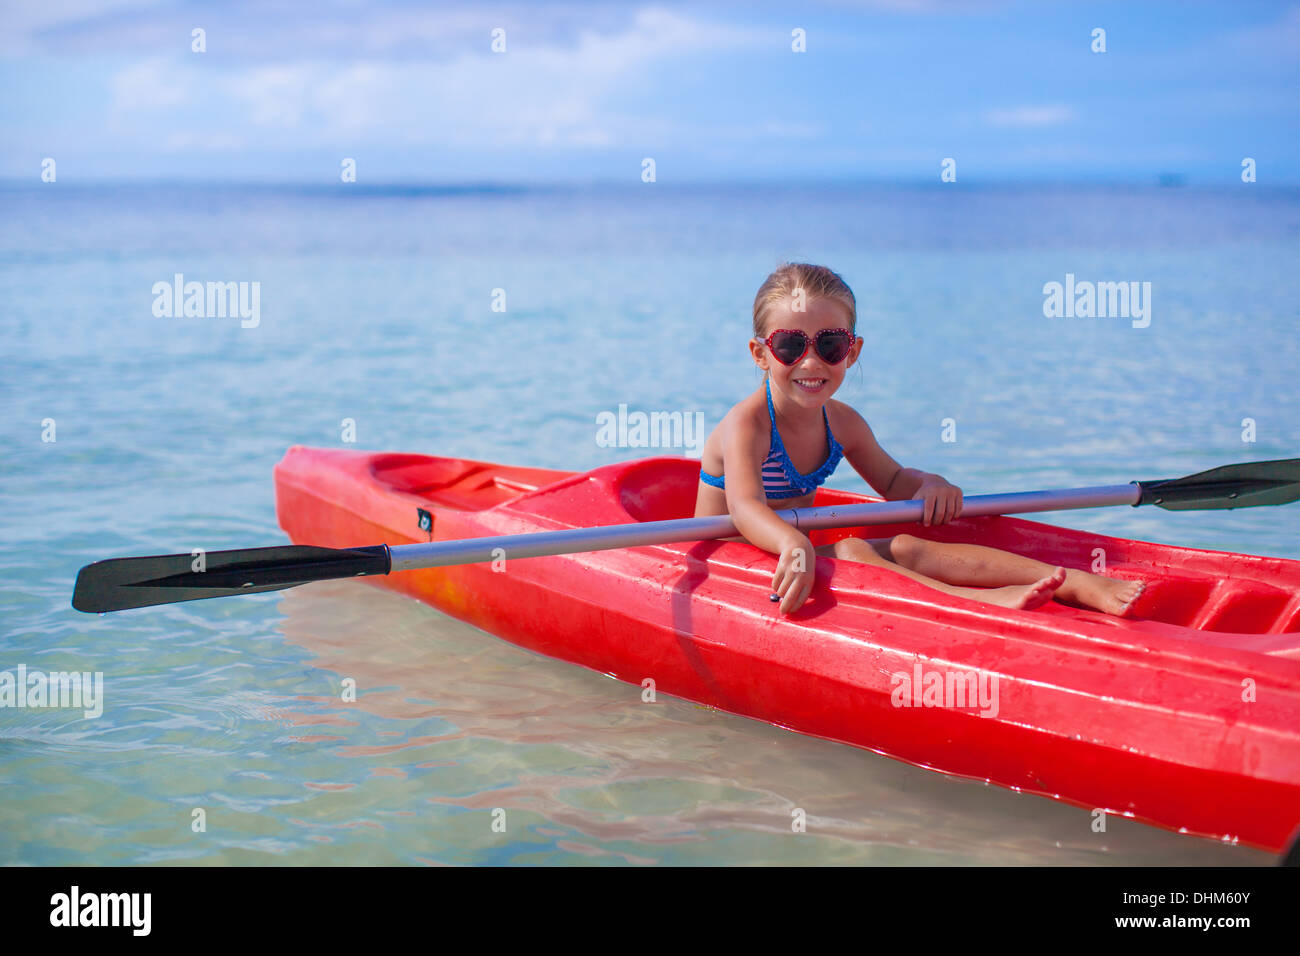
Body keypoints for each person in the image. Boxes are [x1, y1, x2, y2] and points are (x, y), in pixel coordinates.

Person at [695, 262, 1145, 617]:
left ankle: (1073, 581)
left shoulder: (844, 423)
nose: (811, 362)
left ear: (851, 352)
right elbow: (745, 507)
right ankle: (980, 602)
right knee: (852, 547)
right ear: (760, 354)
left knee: (906, 545)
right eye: (791, 346)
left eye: (829, 345)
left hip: (791, 553)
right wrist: (795, 545)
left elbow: (893, 483)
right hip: (731, 565)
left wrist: (929, 484)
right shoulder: (748, 424)